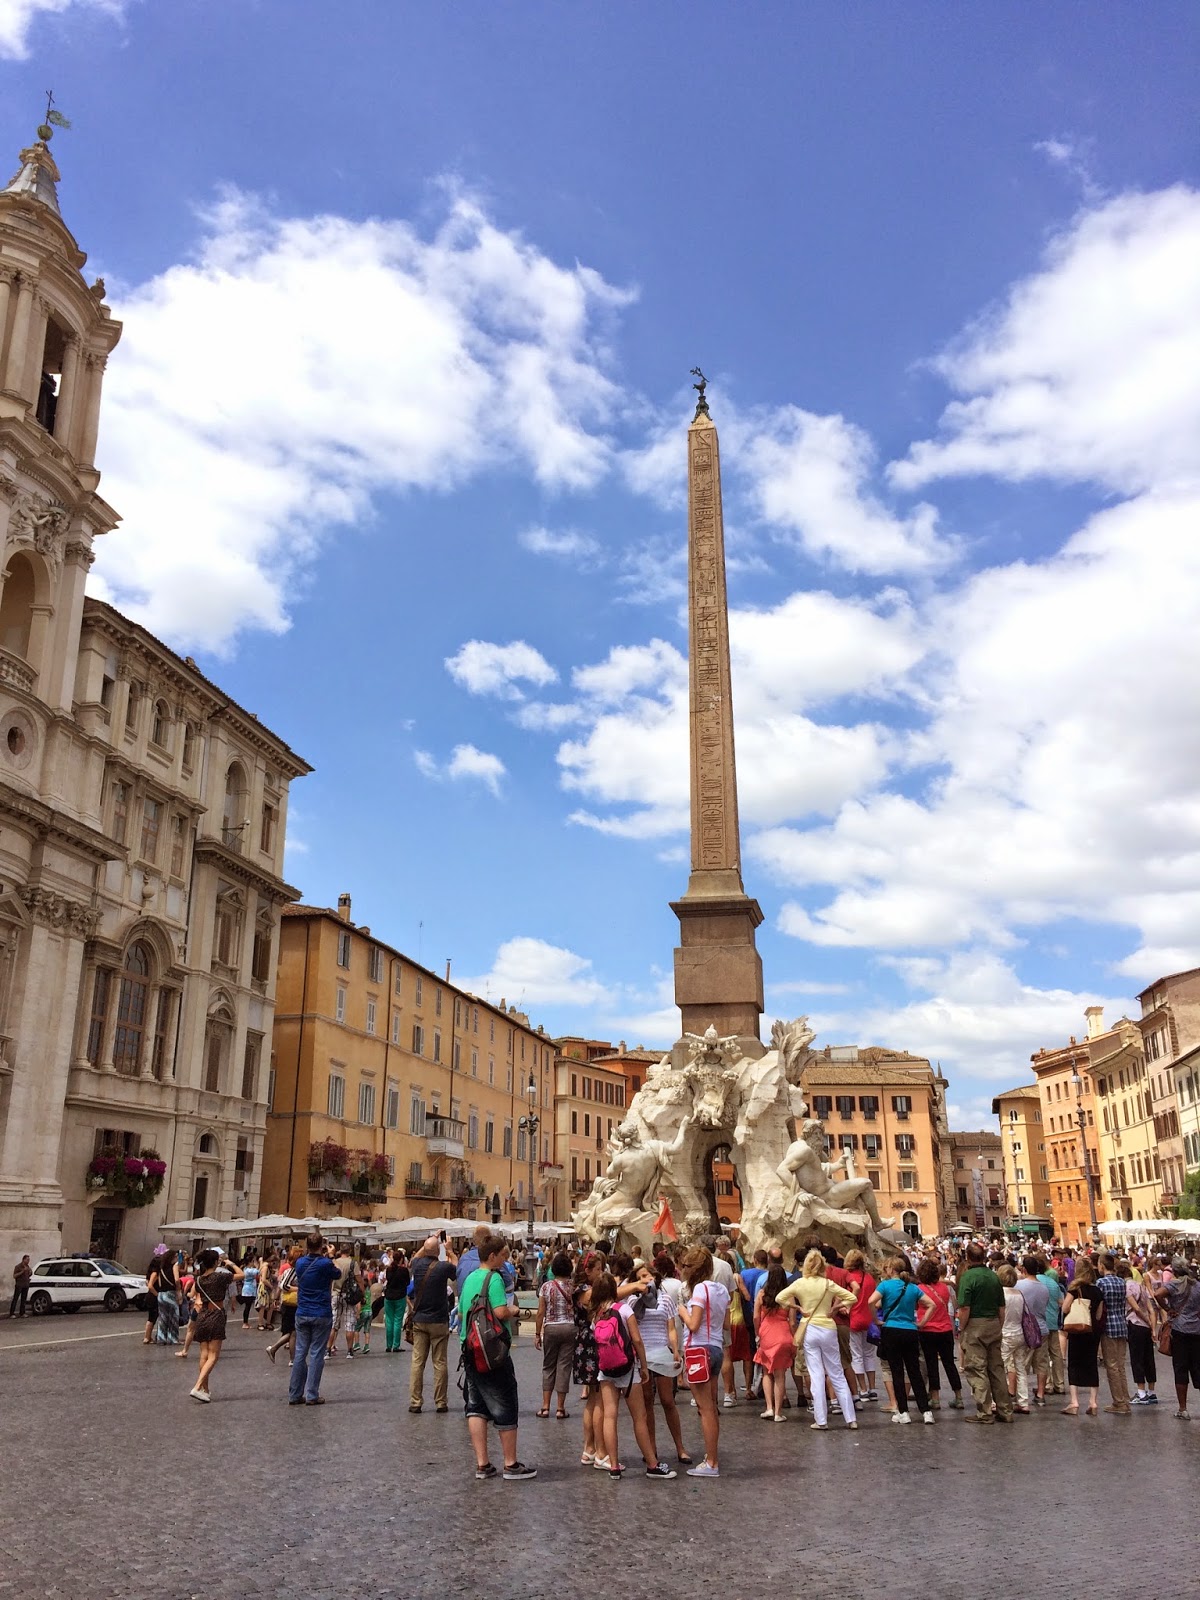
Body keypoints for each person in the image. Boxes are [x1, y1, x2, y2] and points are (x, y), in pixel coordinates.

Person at [458, 1233, 536, 1480]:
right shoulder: (494, 1279)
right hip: (492, 1352)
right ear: (492, 1256)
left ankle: (483, 1464)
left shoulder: (469, 1278)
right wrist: (515, 1309)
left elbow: (461, 1313)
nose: (505, 1260)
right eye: (503, 1255)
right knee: (505, 1403)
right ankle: (510, 1463)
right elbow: (501, 1311)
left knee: (476, 1406)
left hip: (470, 1349)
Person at [588, 1271, 676, 1480]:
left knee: (610, 1416)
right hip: (627, 1370)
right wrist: (643, 1366)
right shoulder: (624, 1309)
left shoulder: (596, 1315)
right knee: (639, 1417)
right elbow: (636, 1340)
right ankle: (652, 1464)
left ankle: (614, 1465)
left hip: (606, 1370)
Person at [776, 1249, 858, 1430]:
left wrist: (797, 1307)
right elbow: (852, 1296)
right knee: (836, 1373)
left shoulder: (800, 1283)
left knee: (816, 1374)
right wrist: (835, 1308)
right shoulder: (828, 1284)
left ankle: (821, 1420)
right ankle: (851, 1418)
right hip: (828, 1327)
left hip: (809, 1327)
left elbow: (779, 1298)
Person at [630, 1258, 690, 1464]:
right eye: (639, 1278)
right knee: (647, 1402)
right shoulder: (633, 1302)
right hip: (643, 1355)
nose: (644, 1280)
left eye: (646, 1276)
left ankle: (680, 1447)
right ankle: (652, 1448)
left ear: (654, 1277)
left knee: (668, 1400)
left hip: (662, 1352)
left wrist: (675, 1350)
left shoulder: (665, 1299)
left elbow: (671, 1328)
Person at [678, 1245, 729, 1477]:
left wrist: (682, 1311)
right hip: (716, 1348)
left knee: (705, 1409)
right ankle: (712, 1458)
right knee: (711, 1408)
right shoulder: (722, 1290)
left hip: (699, 1350)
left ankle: (711, 1463)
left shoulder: (699, 1289)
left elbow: (693, 1324)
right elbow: (726, 1324)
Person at [867, 1256, 935, 1425]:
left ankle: (903, 1412)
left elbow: (871, 1301)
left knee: (896, 1371)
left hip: (891, 1330)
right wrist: (922, 1323)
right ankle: (926, 1411)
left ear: (891, 1269)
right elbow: (931, 1304)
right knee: (914, 1372)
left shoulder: (885, 1285)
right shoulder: (912, 1287)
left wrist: (876, 1320)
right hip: (910, 1330)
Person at [956, 1242, 1012, 1424]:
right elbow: (1001, 1307)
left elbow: (964, 1307)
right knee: (997, 1368)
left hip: (975, 1324)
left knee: (977, 1368)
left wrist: (961, 1327)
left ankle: (985, 1411)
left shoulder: (968, 1277)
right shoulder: (993, 1276)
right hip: (994, 1323)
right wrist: (999, 1325)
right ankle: (1005, 1410)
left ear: (968, 1257)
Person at [408, 1234, 458, 1414]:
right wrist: (450, 1250)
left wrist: (429, 1242)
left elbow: (416, 1257)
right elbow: (457, 1269)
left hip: (420, 1319)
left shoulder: (416, 1264)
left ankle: (415, 1402)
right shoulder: (443, 1267)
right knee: (440, 1362)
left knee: (417, 1362)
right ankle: (440, 1402)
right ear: (438, 1251)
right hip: (438, 1320)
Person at [288, 1234, 341, 1406]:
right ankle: (312, 1394)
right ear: (322, 1246)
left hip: (302, 1311)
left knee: (300, 1353)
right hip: (321, 1312)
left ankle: (295, 1394)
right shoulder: (325, 1263)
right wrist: (331, 1255)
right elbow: (338, 1273)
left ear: (307, 1245)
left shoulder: (300, 1263)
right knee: (317, 1353)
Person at [188, 1248, 243, 1402]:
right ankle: (197, 1386)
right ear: (215, 1262)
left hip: (202, 1316)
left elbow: (194, 1294)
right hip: (216, 1315)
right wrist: (230, 1263)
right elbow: (241, 1275)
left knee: (204, 1354)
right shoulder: (219, 1277)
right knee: (213, 1355)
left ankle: (205, 1390)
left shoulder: (199, 1279)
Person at [1152, 1254, 1200, 1420]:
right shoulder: (1197, 1285)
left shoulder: (1174, 1284)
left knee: (1180, 1368)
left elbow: (1157, 1294)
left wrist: (1167, 1309)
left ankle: (1183, 1408)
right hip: (1196, 1330)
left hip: (1179, 1330)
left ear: (1174, 1271)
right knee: (1197, 1367)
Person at [915, 1257, 962, 1410]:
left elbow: (916, 1306)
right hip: (945, 1328)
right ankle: (958, 1396)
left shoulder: (919, 1289)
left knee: (932, 1364)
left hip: (927, 1329)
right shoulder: (944, 1288)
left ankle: (935, 1399)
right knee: (949, 1364)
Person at [1060, 1257, 1104, 1415]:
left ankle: (1074, 1402)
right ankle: (1093, 1402)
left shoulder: (1074, 1289)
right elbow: (1098, 1315)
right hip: (1092, 1331)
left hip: (1077, 1330)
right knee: (1091, 1364)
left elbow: (1065, 1308)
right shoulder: (1098, 1291)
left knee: (1074, 1364)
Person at [534, 1251, 575, 1419]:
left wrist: (537, 1334)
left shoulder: (546, 1287)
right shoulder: (573, 1287)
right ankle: (560, 1408)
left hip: (551, 1327)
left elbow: (540, 1312)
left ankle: (545, 1406)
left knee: (548, 1366)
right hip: (569, 1327)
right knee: (564, 1366)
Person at [1095, 1253, 1133, 1416]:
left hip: (1108, 1325)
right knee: (1120, 1365)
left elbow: (1099, 1305)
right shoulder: (1121, 1282)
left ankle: (1119, 1402)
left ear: (1102, 1266)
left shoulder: (1101, 1283)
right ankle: (1125, 1398)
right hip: (1122, 1324)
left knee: (1111, 1365)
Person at [843, 1249, 878, 1403]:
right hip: (868, 1320)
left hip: (853, 1320)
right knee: (869, 1354)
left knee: (856, 1355)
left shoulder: (849, 1278)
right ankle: (872, 1388)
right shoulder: (869, 1278)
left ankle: (862, 1389)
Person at [1122, 1259, 1159, 1405]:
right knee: (1149, 1358)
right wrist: (1152, 1327)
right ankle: (1152, 1392)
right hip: (1146, 1328)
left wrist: (1146, 1320)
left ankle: (1141, 1392)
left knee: (1137, 1358)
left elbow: (1136, 1309)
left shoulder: (1126, 1287)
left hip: (1135, 1324)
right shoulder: (1140, 1286)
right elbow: (1151, 1309)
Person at [267, 1243, 302, 1366]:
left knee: (292, 1332)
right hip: (291, 1305)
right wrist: (298, 1289)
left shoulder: (290, 1270)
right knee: (293, 1332)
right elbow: (284, 1285)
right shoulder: (293, 1271)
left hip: (290, 1305)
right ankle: (277, 1350)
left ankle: (288, 1356)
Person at [1037, 1255, 1066, 1394]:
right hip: (1053, 1321)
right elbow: (1062, 1302)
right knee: (1056, 1354)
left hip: (1040, 1323)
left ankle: (1047, 1384)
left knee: (1043, 1356)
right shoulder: (1053, 1283)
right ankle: (1059, 1384)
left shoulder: (1035, 1281)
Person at [382, 1248, 410, 1354]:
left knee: (389, 1321)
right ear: (401, 1259)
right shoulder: (404, 1270)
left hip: (388, 1296)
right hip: (400, 1296)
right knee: (398, 1321)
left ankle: (388, 1345)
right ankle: (396, 1345)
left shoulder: (389, 1269)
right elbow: (407, 1282)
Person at [154, 1247, 181, 1345]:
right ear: (172, 1257)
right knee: (174, 1316)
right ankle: (173, 1338)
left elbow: (159, 1282)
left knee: (162, 1317)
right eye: (176, 1256)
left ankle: (161, 1338)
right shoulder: (175, 1266)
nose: (177, 1258)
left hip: (161, 1294)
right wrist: (178, 1291)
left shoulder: (161, 1268)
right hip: (171, 1293)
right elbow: (177, 1279)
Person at [239, 1254, 259, 1329]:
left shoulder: (246, 1269)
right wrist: (257, 1265)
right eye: (252, 1261)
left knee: (248, 1306)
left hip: (250, 1289)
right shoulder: (248, 1270)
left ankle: (246, 1322)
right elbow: (258, 1272)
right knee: (247, 1307)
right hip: (248, 1290)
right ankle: (245, 1323)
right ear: (250, 1262)